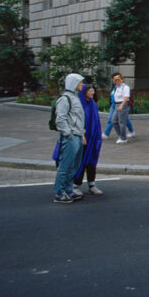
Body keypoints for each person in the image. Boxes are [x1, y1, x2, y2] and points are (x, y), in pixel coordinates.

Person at [53, 73, 86, 203]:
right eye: (80, 82)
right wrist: (68, 134)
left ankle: (68, 189)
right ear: (73, 83)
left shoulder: (75, 98)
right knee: (65, 165)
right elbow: (60, 118)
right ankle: (59, 192)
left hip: (77, 135)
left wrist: (81, 133)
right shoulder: (65, 99)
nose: (82, 85)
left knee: (74, 166)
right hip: (71, 136)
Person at [72, 84, 104, 195]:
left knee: (92, 161)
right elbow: (77, 121)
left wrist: (97, 136)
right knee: (81, 161)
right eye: (90, 90)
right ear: (85, 92)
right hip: (83, 137)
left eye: (93, 90)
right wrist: (82, 135)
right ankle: (76, 185)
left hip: (93, 137)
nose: (93, 92)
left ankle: (92, 184)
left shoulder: (93, 104)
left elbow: (96, 122)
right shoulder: (79, 105)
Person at [111, 72, 131, 144]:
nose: (116, 81)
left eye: (118, 80)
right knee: (114, 121)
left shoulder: (125, 87)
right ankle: (121, 135)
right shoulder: (116, 87)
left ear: (122, 80)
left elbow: (126, 97)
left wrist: (121, 105)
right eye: (115, 80)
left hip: (122, 105)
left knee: (121, 122)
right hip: (116, 105)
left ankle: (123, 138)